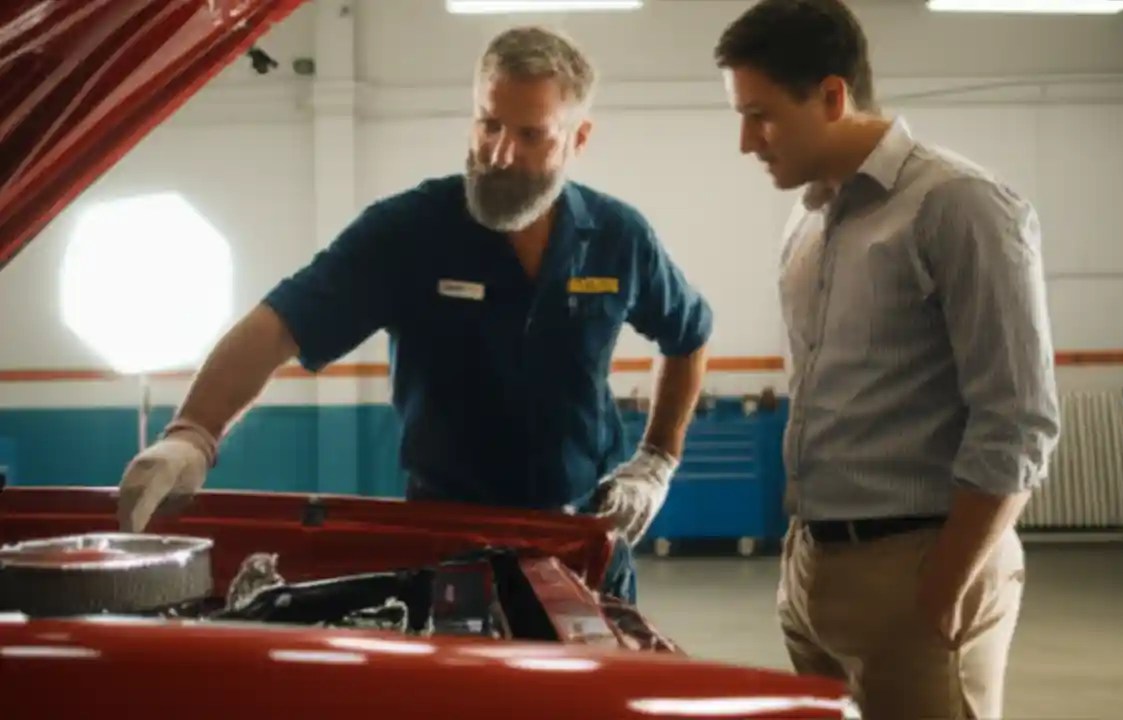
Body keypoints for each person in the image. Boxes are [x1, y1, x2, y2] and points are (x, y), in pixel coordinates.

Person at [115, 26, 713, 604]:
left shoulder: (617, 237)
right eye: (489, 124)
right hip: (446, 539)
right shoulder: (410, 232)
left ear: (579, 139)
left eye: (532, 135)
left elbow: (690, 333)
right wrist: (193, 434)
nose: (501, 154)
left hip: (585, 541)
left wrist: (657, 461)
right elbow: (279, 325)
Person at [714, 1, 1061, 717]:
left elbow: (1019, 418)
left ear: (833, 96)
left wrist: (944, 585)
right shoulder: (809, 219)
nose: (746, 142)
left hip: (918, 565)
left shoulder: (958, 205)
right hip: (814, 566)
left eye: (762, 114)